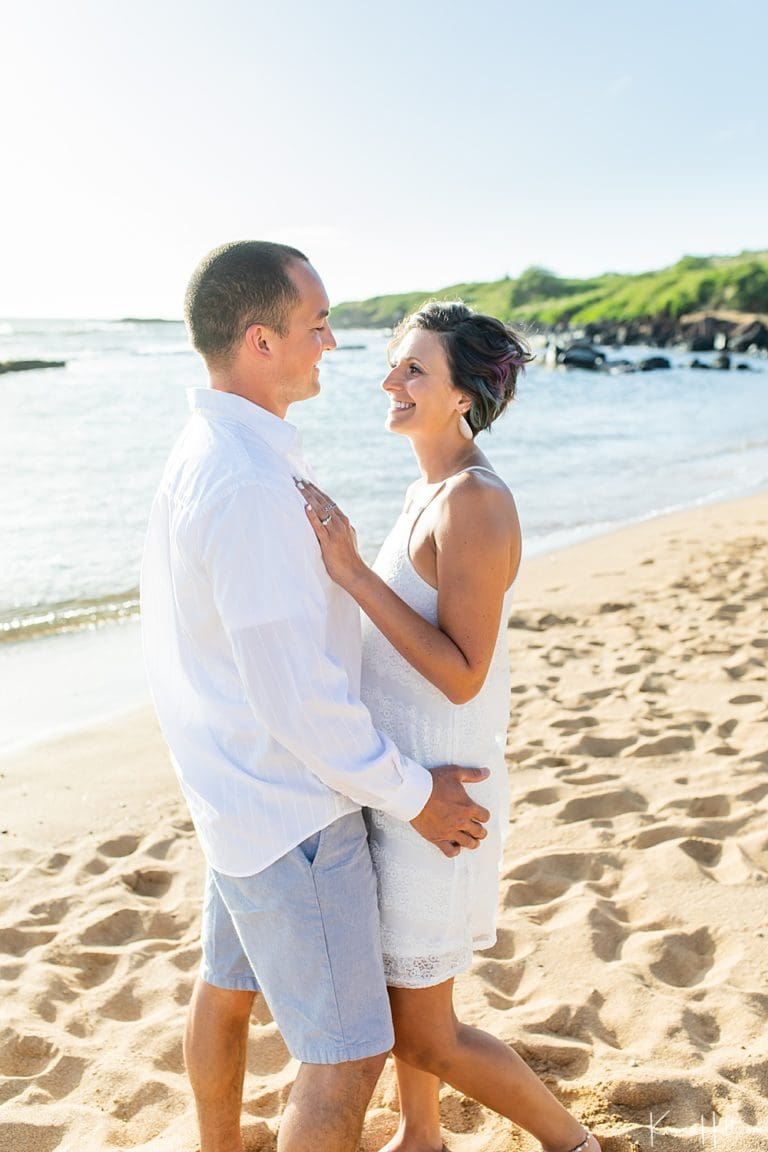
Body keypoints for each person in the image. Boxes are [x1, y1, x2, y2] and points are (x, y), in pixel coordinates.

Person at [140, 244, 493, 1152]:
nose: (334, 343)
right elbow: (298, 701)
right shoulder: (248, 483)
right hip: (295, 812)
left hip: (233, 795)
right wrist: (418, 796)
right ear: (260, 340)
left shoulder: (206, 447)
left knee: (225, 990)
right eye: (318, 324)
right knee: (345, 1057)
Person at [301, 301, 601, 1152]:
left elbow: (462, 674)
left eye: (413, 370)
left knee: (426, 1029)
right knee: (410, 993)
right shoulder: (428, 487)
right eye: (395, 364)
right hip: (404, 780)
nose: (390, 381)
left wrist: (353, 574)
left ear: (462, 396)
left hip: (443, 795)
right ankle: (422, 1135)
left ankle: (571, 1144)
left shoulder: (475, 502)